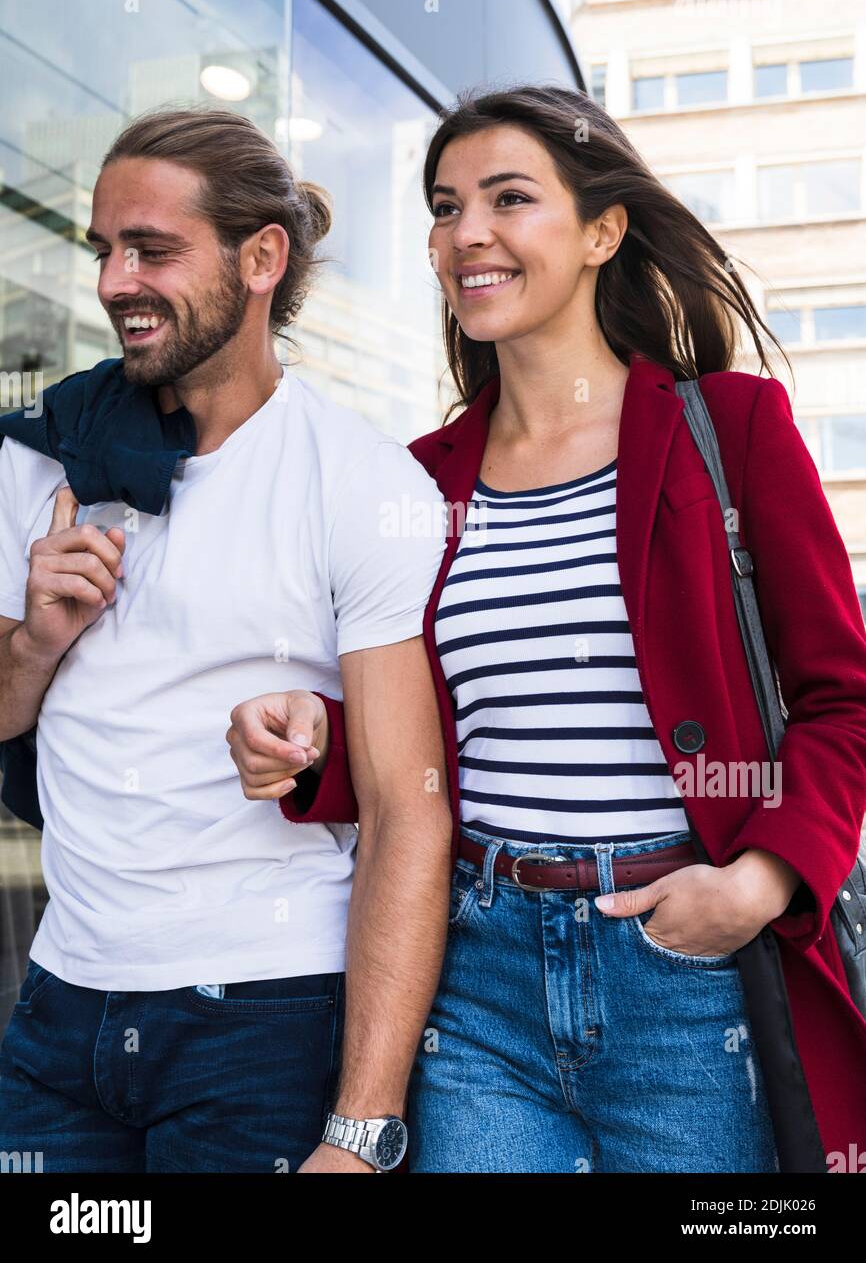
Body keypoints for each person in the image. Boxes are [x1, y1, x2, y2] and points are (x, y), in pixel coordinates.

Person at [242, 84, 866, 1172]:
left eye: (507, 198)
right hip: (477, 977)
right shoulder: (417, 481)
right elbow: (424, 747)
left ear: (600, 231)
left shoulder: (729, 428)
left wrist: (759, 881)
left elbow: (839, 699)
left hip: (683, 973)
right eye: (443, 206)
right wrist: (312, 743)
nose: (463, 233)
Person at [0, 107, 451, 1174]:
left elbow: (406, 809)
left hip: (263, 1016)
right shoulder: (40, 462)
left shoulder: (361, 481)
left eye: (151, 249)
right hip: (60, 1007)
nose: (114, 281)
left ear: (260, 258)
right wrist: (36, 643)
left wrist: (360, 1126)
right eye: (104, 250)